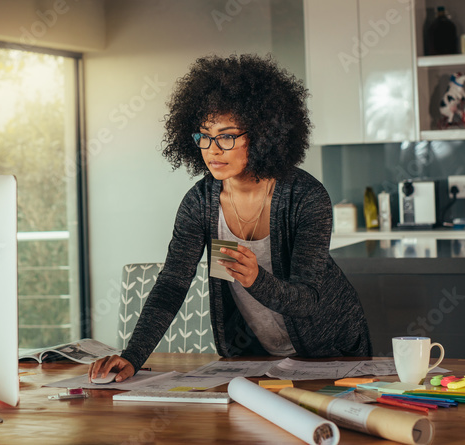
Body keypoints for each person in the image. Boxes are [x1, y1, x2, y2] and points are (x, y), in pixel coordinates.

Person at [89, 54, 371, 383]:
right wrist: (132, 356)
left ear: (264, 134)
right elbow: (172, 284)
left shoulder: (306, 198)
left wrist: (255, 280)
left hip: (331, 352)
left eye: (227, 136)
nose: (212, 149)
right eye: (204, 136)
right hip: (257, 358)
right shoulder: (201, 203)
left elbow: (306, 300)